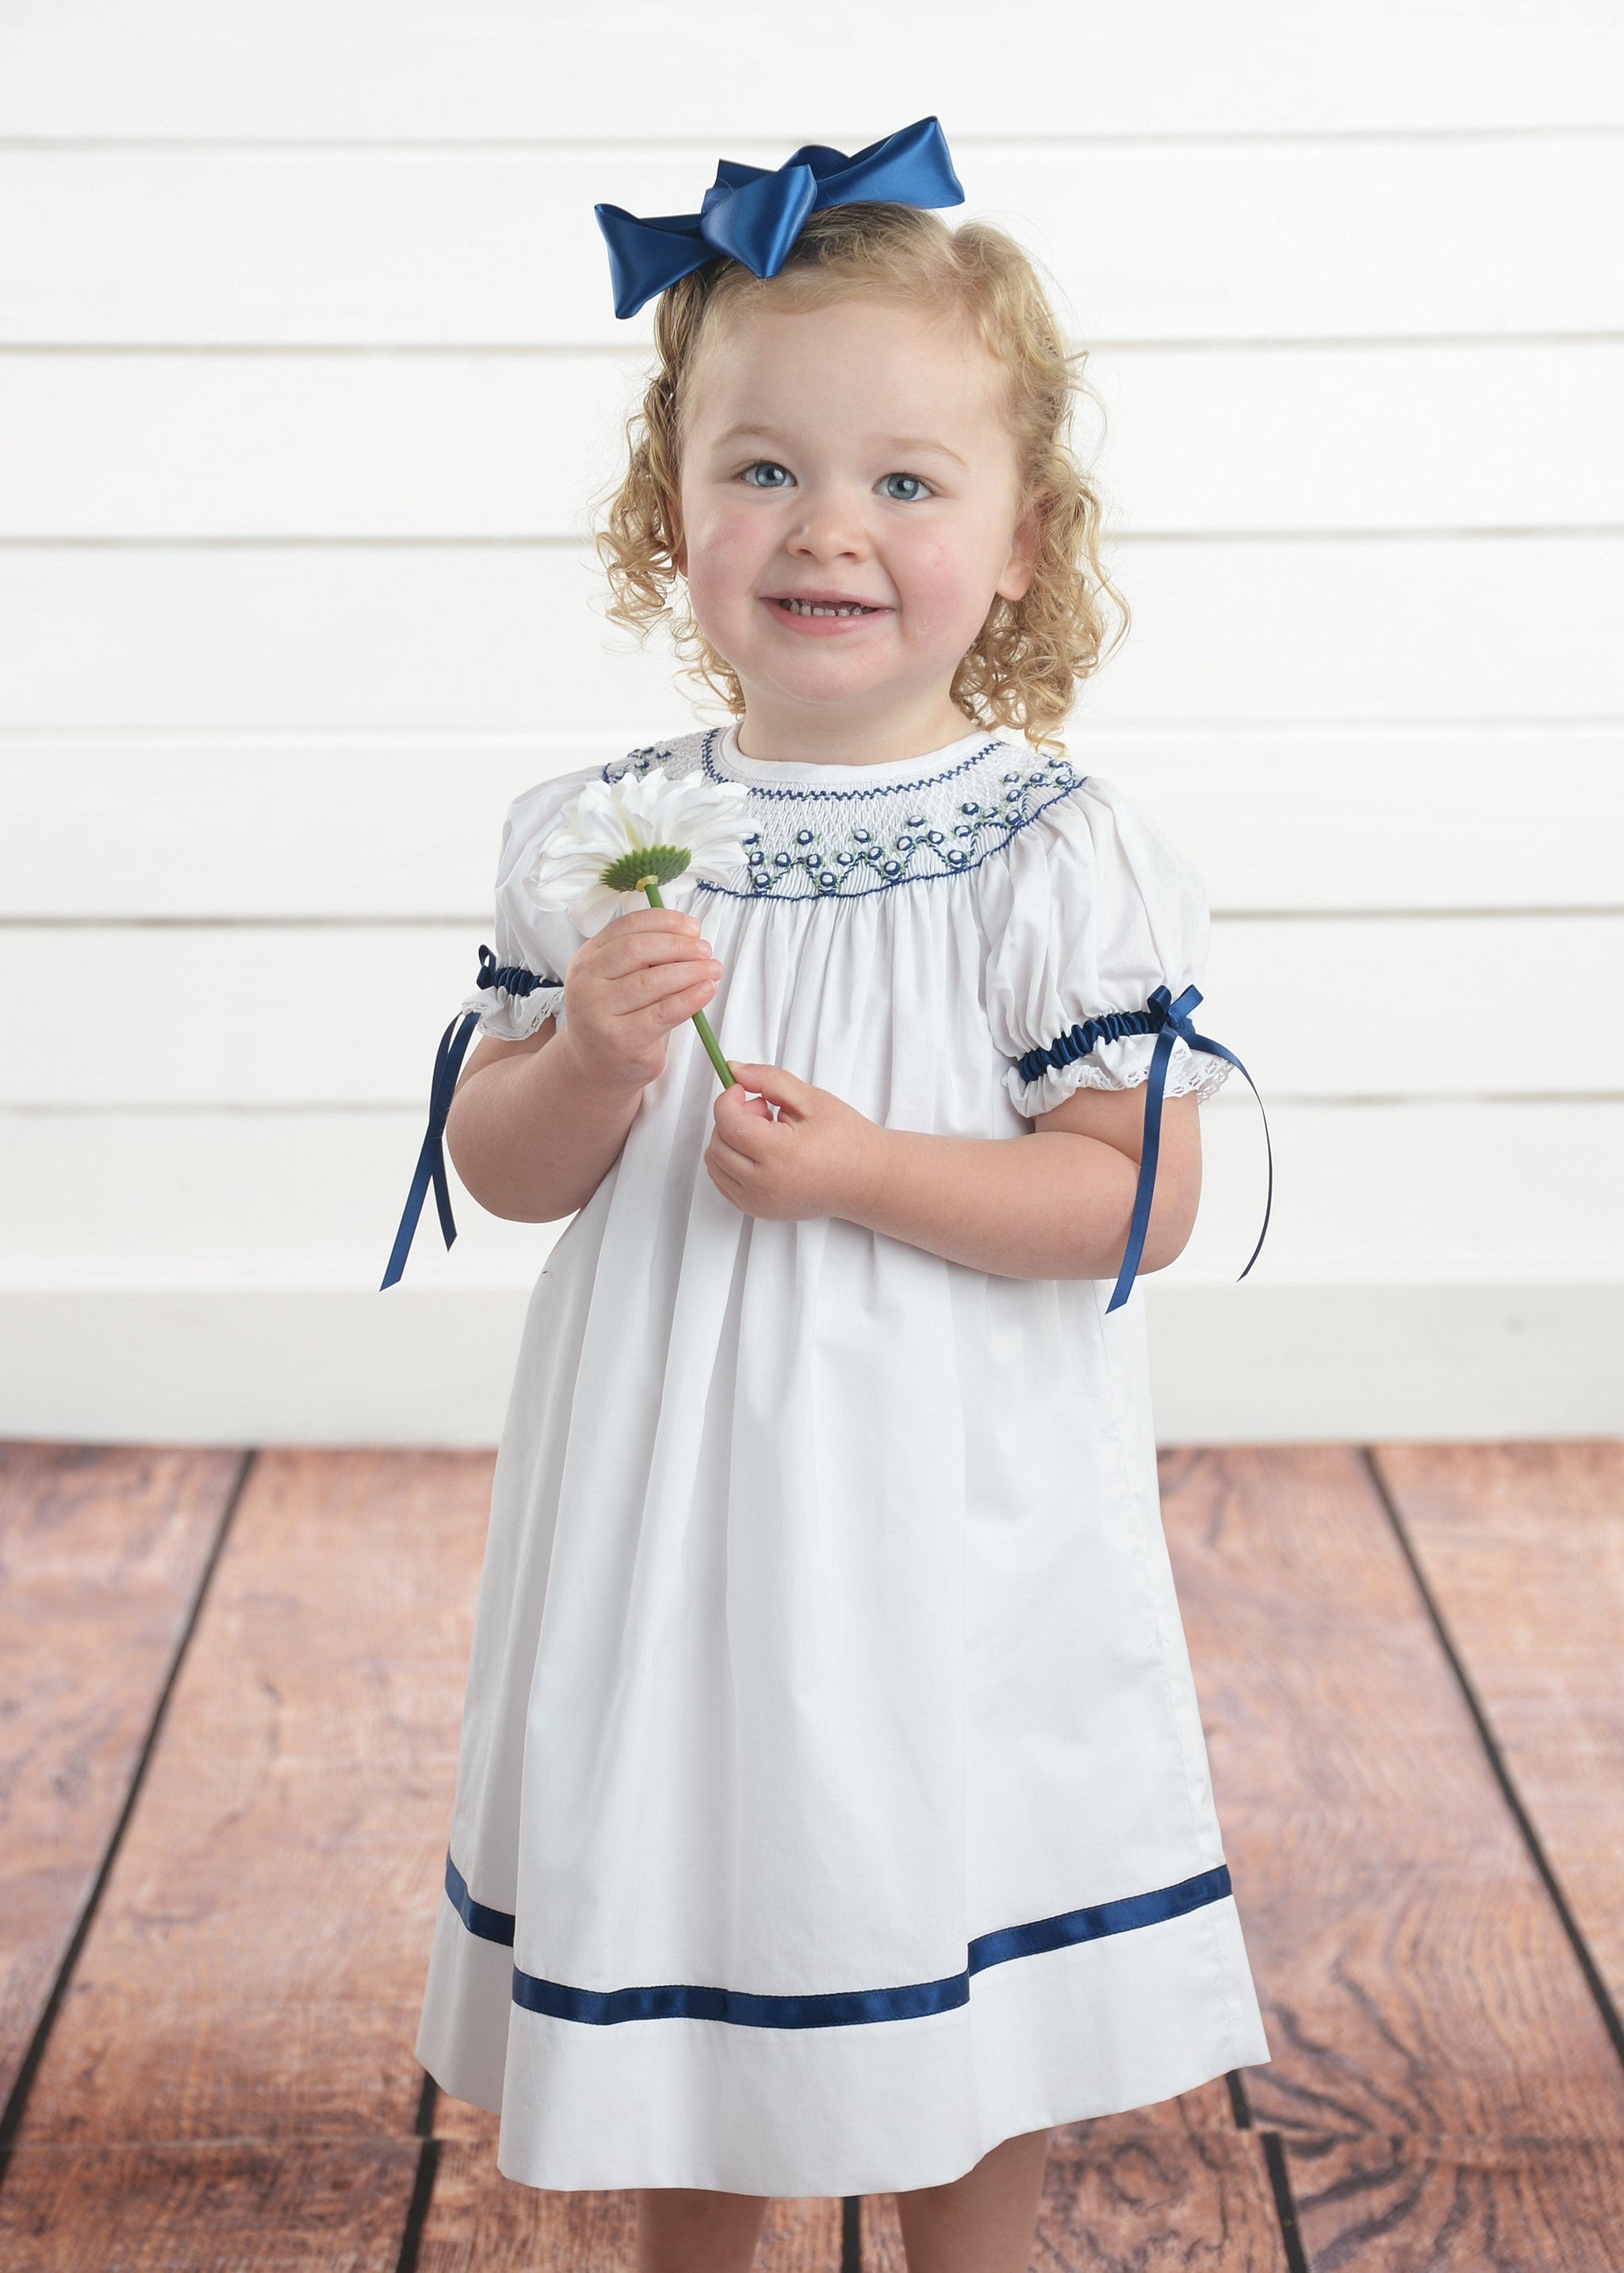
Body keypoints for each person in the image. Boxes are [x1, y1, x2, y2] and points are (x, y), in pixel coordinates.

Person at [401, 117, 1271, 2273]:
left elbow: (1137, 1193)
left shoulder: (1043, 848)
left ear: (1025, 533)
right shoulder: (604, 836)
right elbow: (497, 1172)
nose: (829, 530)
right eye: (763, 467)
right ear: (666, 506)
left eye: (905, 480)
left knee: (944, 1933)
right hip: (676, 1528)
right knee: (708, 1937)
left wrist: (870, 1165)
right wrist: (594, 1050)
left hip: (935, 1520)